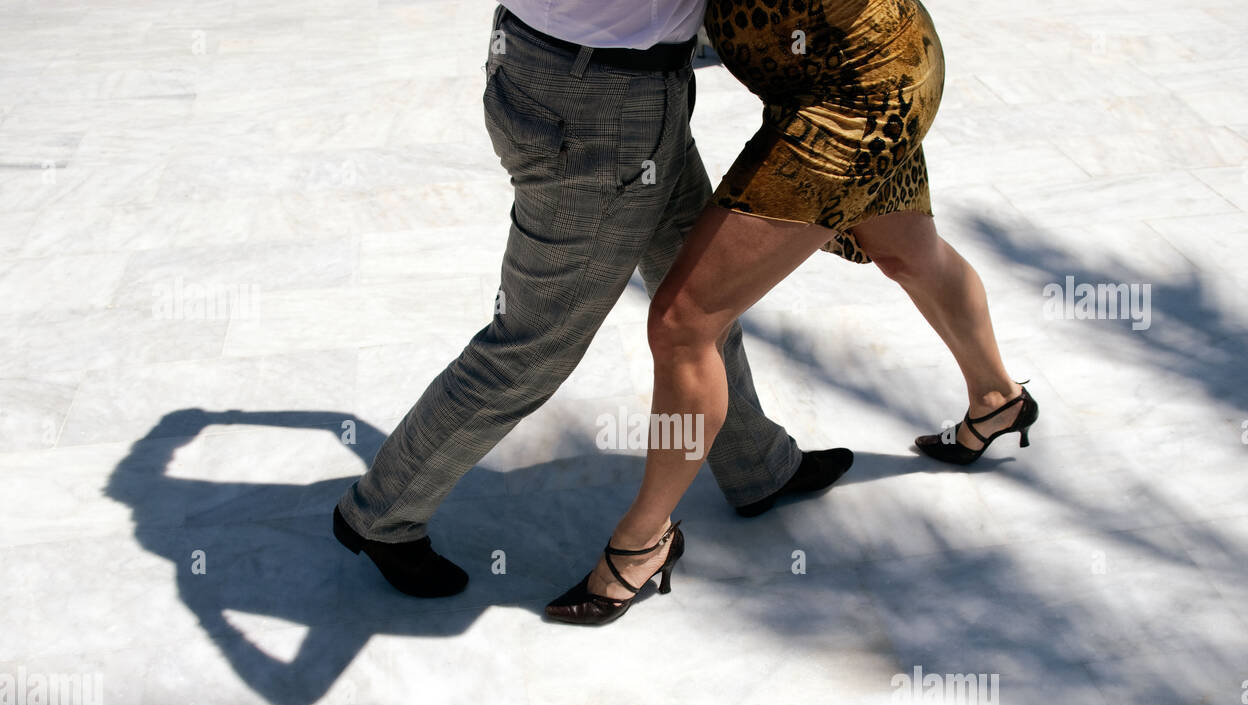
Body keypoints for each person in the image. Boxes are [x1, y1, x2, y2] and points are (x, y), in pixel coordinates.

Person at [333, 1, 856, 598]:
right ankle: (380, 514)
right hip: (597, 106)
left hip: (599, 78)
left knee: (700, 302)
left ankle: (757, 465)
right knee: (531, 346)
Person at [546, 0, 1038, 625]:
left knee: (681, 322)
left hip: (860, 91)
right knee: (908, 255)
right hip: (836, 72)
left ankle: (642, 542)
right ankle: (999, 400)